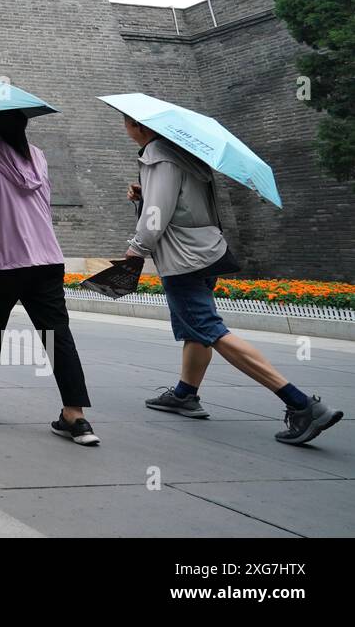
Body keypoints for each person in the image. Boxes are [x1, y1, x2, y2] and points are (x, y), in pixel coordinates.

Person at [120, 114, 343, 445]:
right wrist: (145, 197)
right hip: (206, 251)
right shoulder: (186, 154)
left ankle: (302, 404)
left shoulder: (158, 157)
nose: (125, 128)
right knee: (195, 329)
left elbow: (157, 218)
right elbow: (183, 206)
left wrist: (136, 249)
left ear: (138, 127)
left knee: (209, 329)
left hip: (183, 259)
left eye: (126, 123)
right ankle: (185, 394)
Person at [0, 109, 99, 446]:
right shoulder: (38, 156)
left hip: (2, 260)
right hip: (46, 257)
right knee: (57, 335)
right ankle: (76, 416)